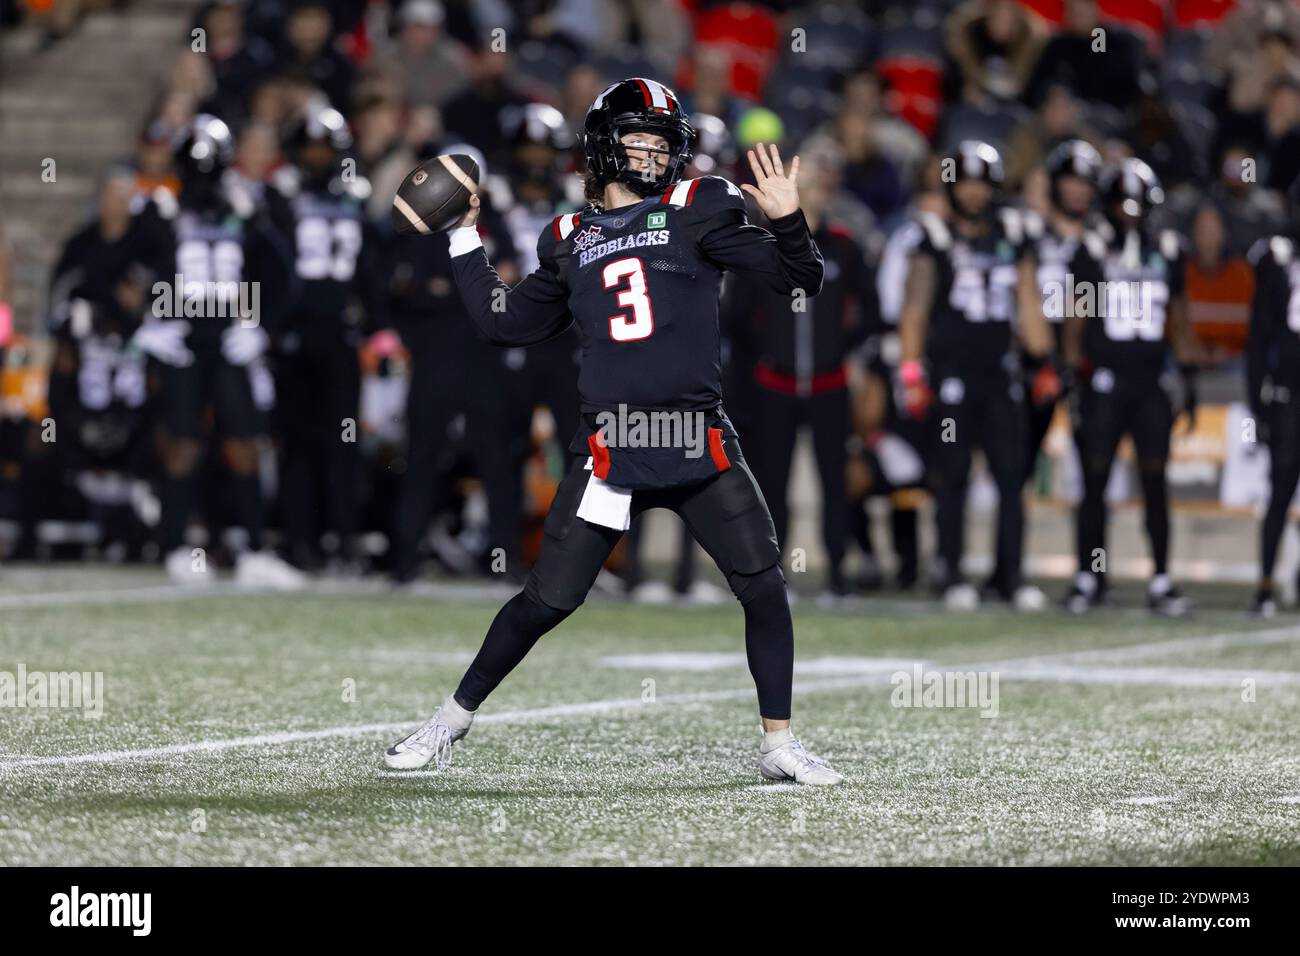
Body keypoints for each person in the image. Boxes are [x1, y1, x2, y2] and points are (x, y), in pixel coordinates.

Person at [384, 77, 842, 786]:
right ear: (604, 143)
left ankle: (779, 743)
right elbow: (504, 323)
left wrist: (787, 220)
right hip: (613, 443)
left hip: (695, 437)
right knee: (547, 601)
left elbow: (800, 281)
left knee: (763, 585)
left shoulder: (701, 206)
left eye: (663, 142)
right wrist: (464, 235)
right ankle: (448, 722)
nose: (653, 153)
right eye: (638, 138)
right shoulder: (569, 237)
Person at [129, 114, 303, 589]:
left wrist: (262, 329)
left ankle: (251, 549)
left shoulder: (247, 208)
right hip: (180, 342)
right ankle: (174, 546)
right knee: (182, 445)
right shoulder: (159, 207)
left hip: (230, 340)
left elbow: (284, 274)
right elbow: (121, 268)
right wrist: (145, 325)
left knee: (245, 445)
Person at [897, 141, 1054, 611]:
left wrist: (1043, 359)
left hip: (1000, 372)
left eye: (980, 183)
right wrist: (911, 371)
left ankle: (1010, 576)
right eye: (963, 182)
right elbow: (914, 309)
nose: (972, 193)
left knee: (1012, 476)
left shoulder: (1014, 230)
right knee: (954, 475)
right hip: (952, 373)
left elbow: (1027, 298)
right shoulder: (935, 235)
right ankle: (951, 572)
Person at [1061, 159, 1203, 615]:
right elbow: (1077, 315)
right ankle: (1089, 576)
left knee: (1155, 481)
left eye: (1137, 204)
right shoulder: (1091, 247)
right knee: (1095, 480)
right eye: (1122, 203)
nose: (1130, 212)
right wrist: (1070, 374)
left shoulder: (1168, 248)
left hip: (1149, 383)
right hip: (1104, 381)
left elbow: (1179, 314)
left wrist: (1187, 372)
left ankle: (1160, 578)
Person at [1245, 180, 1300, 617]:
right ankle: (1265, 581)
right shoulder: (1277, 255)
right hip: (1288, 392)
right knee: (1280, 487)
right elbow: (1259, 334)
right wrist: (1257, 396)